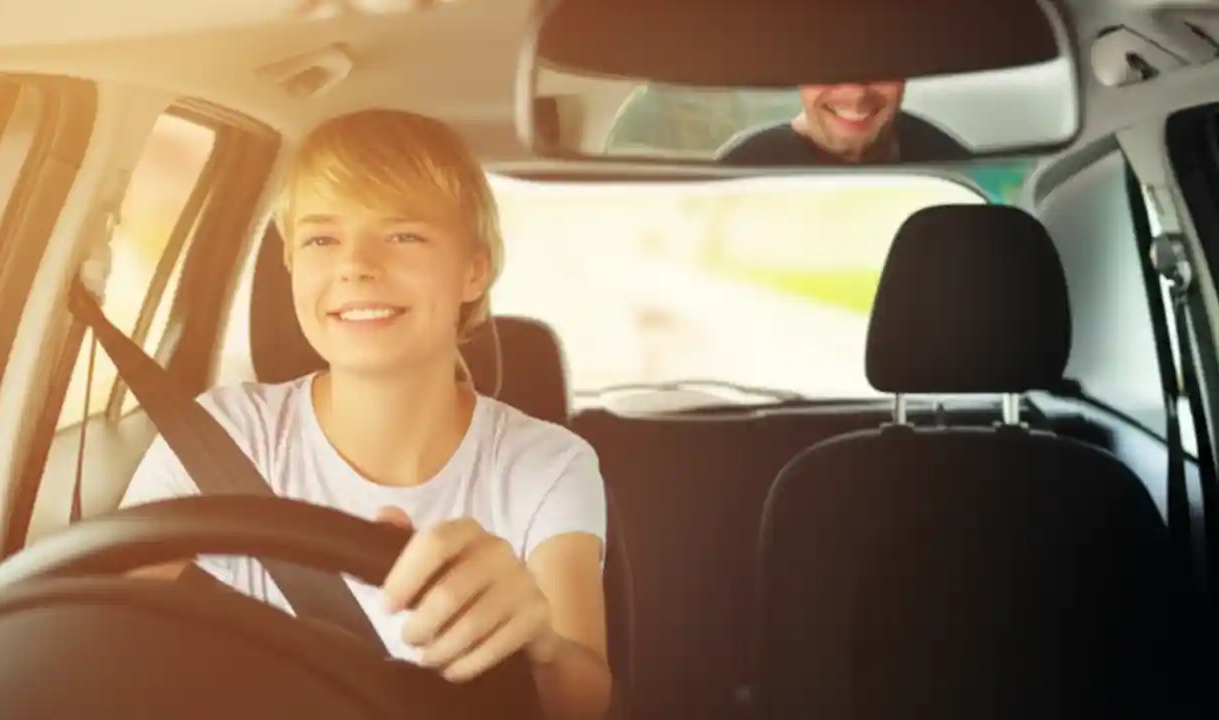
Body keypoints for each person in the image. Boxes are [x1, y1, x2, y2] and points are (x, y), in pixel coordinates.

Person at [120, 109, 611, 720]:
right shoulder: (218, 435)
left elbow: (585, 700)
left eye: (403, 235)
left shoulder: (547, 464)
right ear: (292, 264)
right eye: (322, 239)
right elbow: (111, 641)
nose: (356, 264)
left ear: (474, 270)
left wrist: (539, 644)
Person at [719, 80, 970, 165]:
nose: (856, 95)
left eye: (880, 61)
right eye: (830, 65)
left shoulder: (951, 165)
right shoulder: (740, 169)